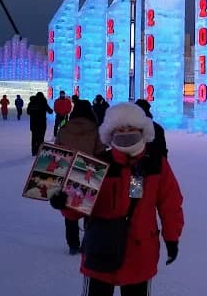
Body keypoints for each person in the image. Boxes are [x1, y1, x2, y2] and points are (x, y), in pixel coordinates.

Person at [50, 102, 184, 296]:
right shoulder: (96, 164)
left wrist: (172, 238)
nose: (125, 133)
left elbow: (170, 204)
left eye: (131, 128)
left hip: (139, 254)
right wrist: (64, 202)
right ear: (110, 133)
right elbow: (76, 209)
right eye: (120, 129)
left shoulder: (155, 165)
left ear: (142, 130)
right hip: (100, 252)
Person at [54, 100, 105, 255]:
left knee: (69, 212)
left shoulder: (64, 129)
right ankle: (87, 243)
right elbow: (101, 153)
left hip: (68, 174)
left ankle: (73, 245)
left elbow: (57, 152)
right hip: (90, 175)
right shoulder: (96, 130)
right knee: (89, 210)